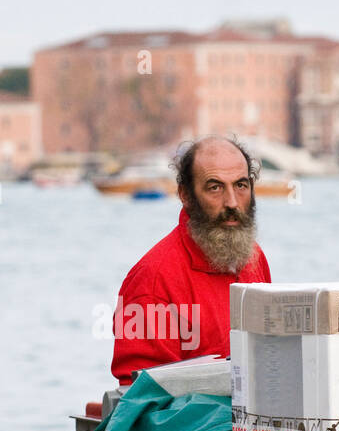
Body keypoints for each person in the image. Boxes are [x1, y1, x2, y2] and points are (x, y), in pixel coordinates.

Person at [110, 135, 271, 385]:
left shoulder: (255, 258)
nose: (232, 202)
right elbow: (140, 400)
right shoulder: (153, 281)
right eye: (215, 187)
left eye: (240, 185)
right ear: (185, 195)